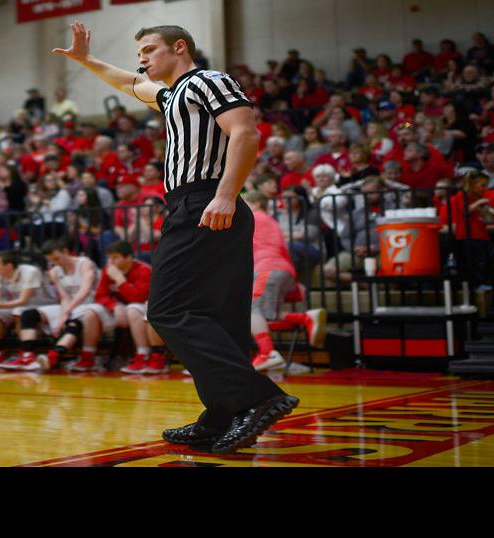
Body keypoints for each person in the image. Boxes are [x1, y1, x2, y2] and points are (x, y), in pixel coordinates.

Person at [53, 22, 297, 453]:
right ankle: (222, 415)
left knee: (166, 311)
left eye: (149, 49)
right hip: (196, 205)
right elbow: (129, 82)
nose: (141, 58)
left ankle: (258, 398)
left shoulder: (208, 80)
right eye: (140, 51)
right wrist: (85, 60)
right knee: (219, 319)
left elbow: (244, 131)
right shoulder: (170, 94)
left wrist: (224, 195)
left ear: (179, 47)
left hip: (206, 202)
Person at [1, 238, 113, 372]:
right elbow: (64, 296)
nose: (55, 263)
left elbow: (85, 290)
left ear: (65, 251)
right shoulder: (55, 271)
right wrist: (63, 315)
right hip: (73, 305)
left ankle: (55, 356)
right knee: (28, 314)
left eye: (57, 258)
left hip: (94, 304)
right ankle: (27, 356)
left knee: (74, 321)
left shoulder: (85, 264)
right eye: (51, 260)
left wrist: (66, 313)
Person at [244, 192, 327, 371]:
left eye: (245, 204)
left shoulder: (254, 217)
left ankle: (267, 352)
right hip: (284, 271)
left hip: (267, 270)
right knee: (266, 312)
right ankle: (305, 318)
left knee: (252, 308)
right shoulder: (271, 220)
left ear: (257, 203)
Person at [0, 251, 53, 369]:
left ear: (9, 266)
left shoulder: (30, 271)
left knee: (19, 311)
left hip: (44, 306)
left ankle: (26, 354)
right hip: (17, 305)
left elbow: (23, 300)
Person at [91, 241, 165, 375]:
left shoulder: (144, 270)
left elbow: (138, 297)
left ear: (129, 257)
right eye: (109, 258)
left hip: (142, 306)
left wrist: (120, 280)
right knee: (91, 312)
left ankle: (143, 355)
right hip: (118, 310)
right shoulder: (108, 270)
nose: (110, 262)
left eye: (115, 258)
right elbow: (100, 295)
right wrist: (114, 306)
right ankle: (87, 356)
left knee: (133, 309)